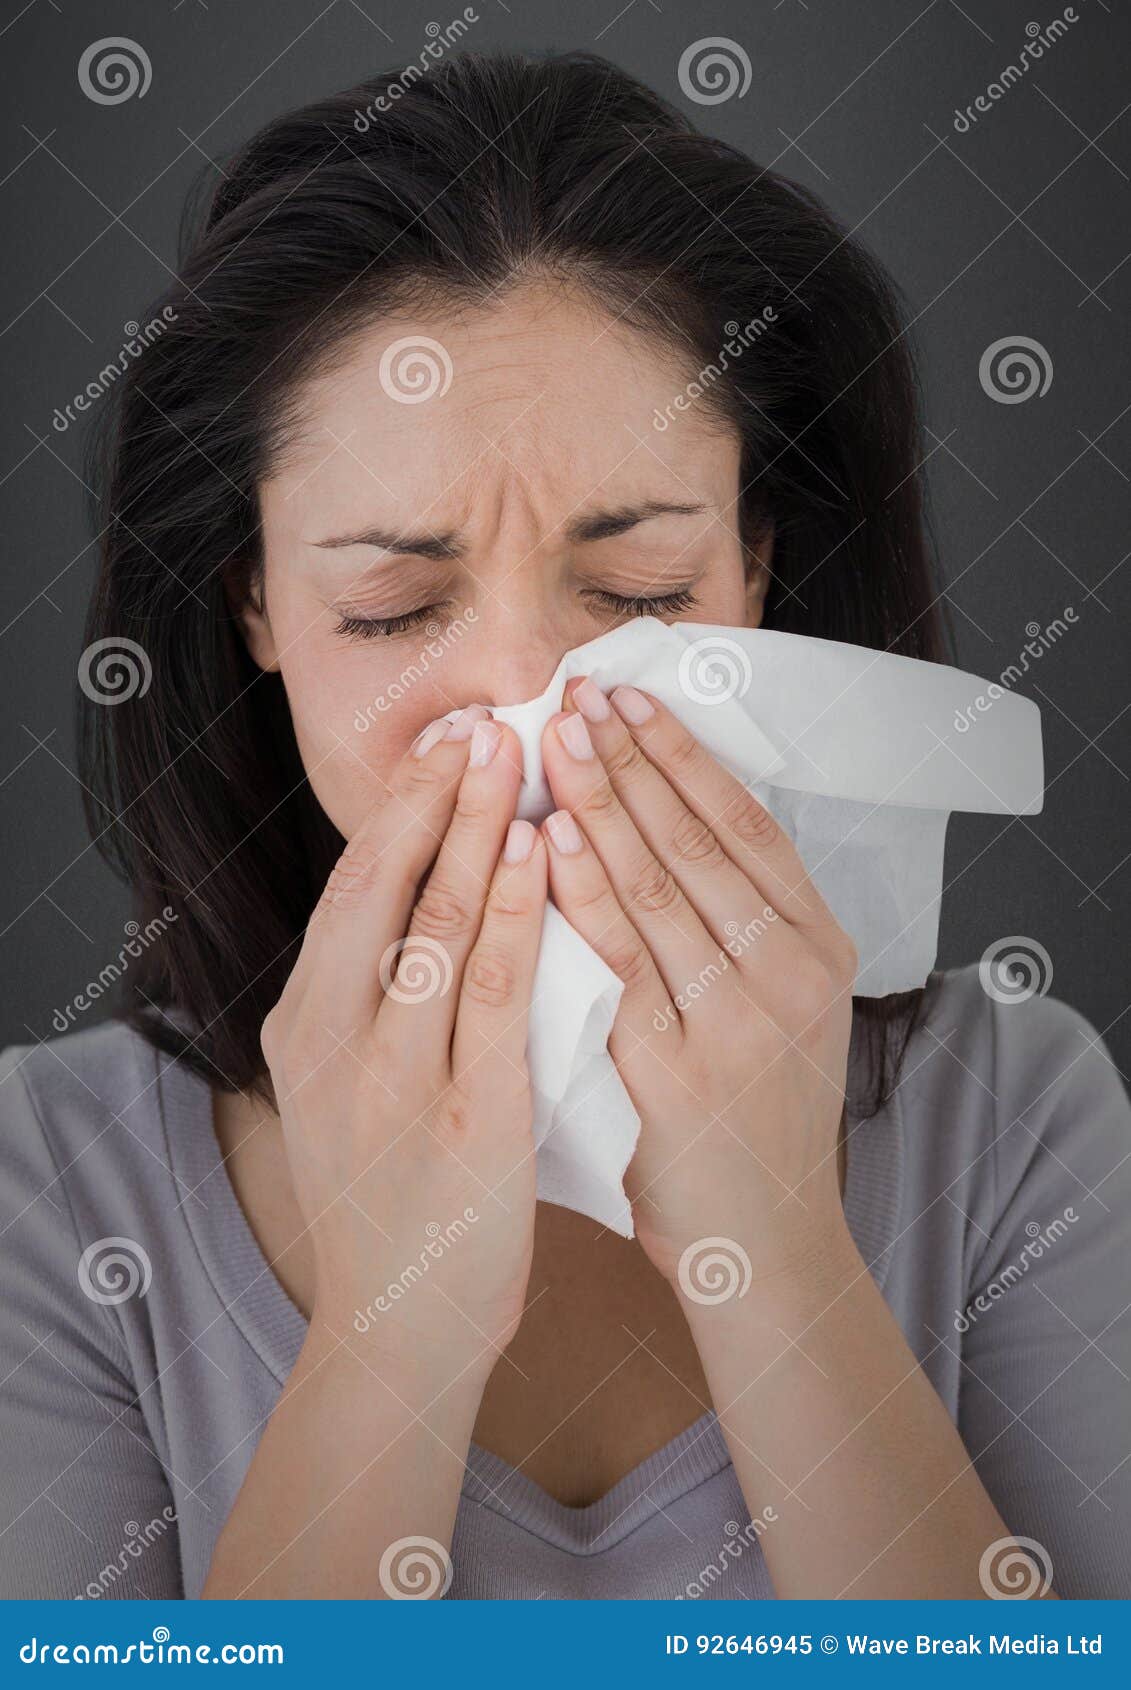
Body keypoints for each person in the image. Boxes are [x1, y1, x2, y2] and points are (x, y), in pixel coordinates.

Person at [1, 50, 1127, 1602]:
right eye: (395, 605)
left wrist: (781, 1255)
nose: (533, 696)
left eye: (643, 595)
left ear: (755, 574)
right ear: (256, 602)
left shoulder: (1018, 1123)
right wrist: (396, 1322)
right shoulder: (48, 1186)